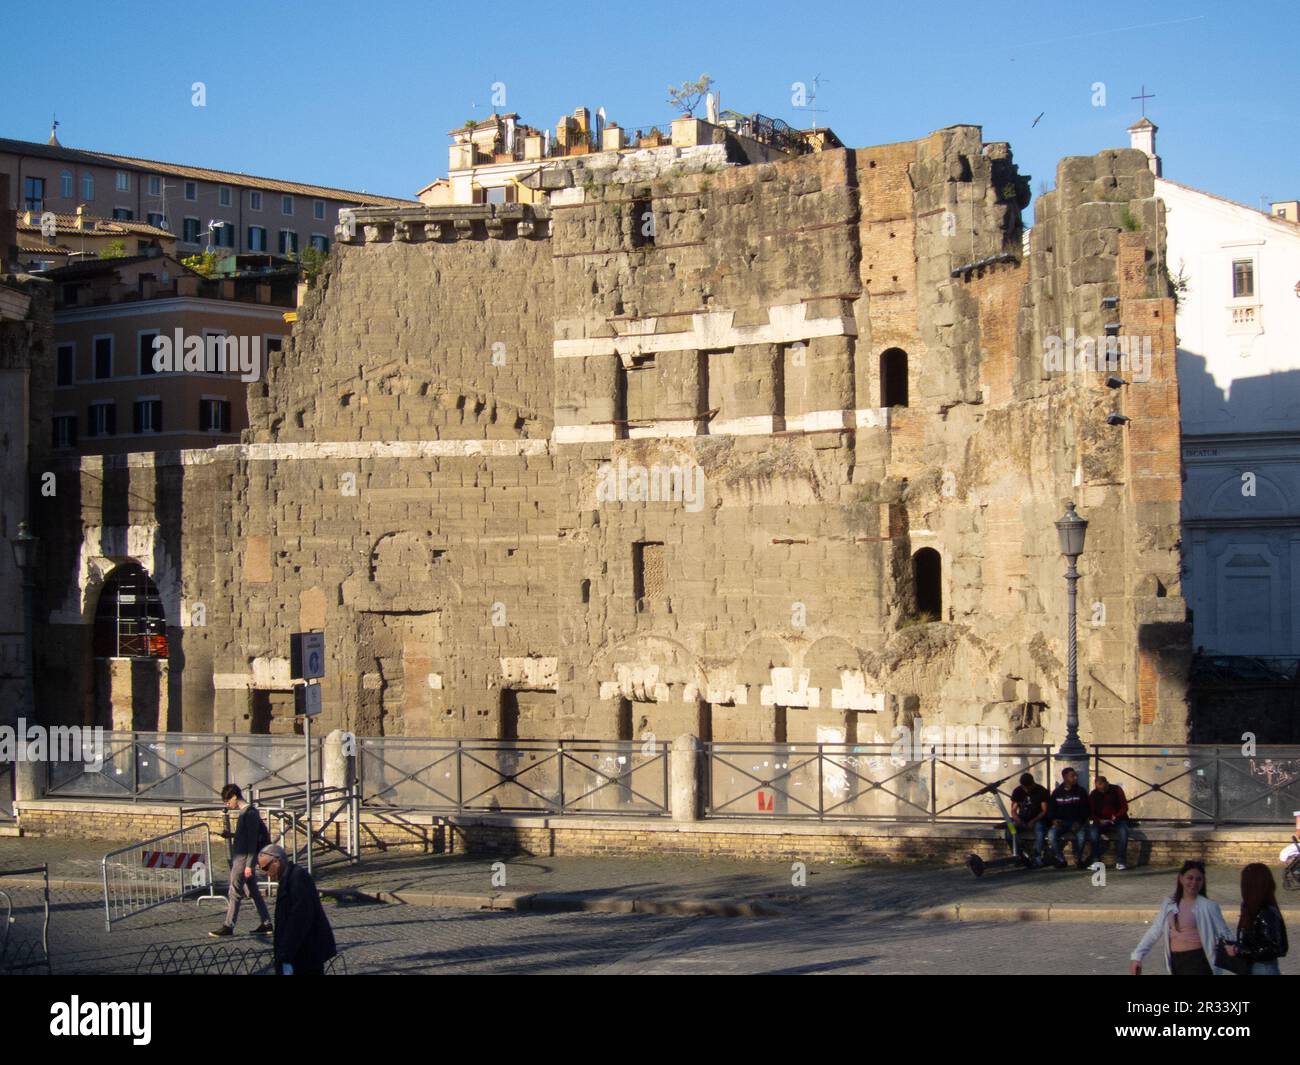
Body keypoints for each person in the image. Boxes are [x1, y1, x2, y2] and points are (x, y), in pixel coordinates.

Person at [1130, 860, 1232, 975]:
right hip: (1175, 961)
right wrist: (1137, 956)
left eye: (1199, 879)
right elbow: (1155, 930)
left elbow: (1225, 932)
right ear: (1181, 878)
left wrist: (1232, 947)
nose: (1194, 882)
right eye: (1190, 878)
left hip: (1199, 961)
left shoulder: (1209, 906)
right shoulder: (1169, 903)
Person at [257, 844, 336, 975]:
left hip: (306, 952)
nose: (265, 873)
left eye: (265, 867)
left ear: (276, 861)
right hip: (298, 951)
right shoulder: (287, 878)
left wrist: (285, 954)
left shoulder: (298, 878)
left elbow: (299, 919)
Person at [209, 784, 272, 938]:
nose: (227, 804)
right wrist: (230, 835)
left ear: (235, 796)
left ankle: (228, 926)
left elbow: (251, 841)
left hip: (243, 859)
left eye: (227, 800)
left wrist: (249, 865)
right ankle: (266, 923)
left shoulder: (249, 813)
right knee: (253, 891)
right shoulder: (246, 813)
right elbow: (245, 836)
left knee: (235, 890)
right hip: (243, 858)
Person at [1231, 863, 1288, 975]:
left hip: (1263, 968)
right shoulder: (1251, 909)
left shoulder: (1266, 913)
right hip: (1253, 966)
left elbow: (1272, 948)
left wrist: (1238, 950)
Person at [1048, 767, 1090, 869]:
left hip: (1076, 822)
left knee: (1082, 836)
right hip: (1061, 823)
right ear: (1065, 777)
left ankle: (1078, 859)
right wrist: (1053, 820)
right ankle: (1060, 859)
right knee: (1051, 835)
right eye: (1072, 776)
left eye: (1076, 776)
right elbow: (1051, 809)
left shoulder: (1081, 792)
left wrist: (1079, 822)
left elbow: (1086, 810)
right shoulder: (1057, 792)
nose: (1075, 778)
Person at [1087, 775, 1131, 870]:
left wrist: (1116, 816)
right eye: (1099, 789)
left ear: (1107, 783)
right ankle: (1095, 861)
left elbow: (1124, 807)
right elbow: (1090, 812)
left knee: (1124, 831)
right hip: (1101, 821)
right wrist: (1098, 820)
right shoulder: (1094, 794)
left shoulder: (1117, 790)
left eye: (1103, 789)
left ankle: (1121, 861)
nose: (1101, 791)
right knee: (1093, 832)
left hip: (1118, 819)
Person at [1008, 772, 1050, 867]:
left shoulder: (1041, 791)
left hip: (1037, 819)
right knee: (1009, 831)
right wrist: (1018, 821)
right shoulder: (1018, 791)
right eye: (1024, 787)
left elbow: (1044, 810)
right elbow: (1013, 810)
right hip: (1022, 819)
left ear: (1033, 783)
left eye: (1028, 787)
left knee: (1040, 832)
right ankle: (1020, 855)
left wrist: (1033, 821)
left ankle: (1037, 856)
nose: (1026, 789)